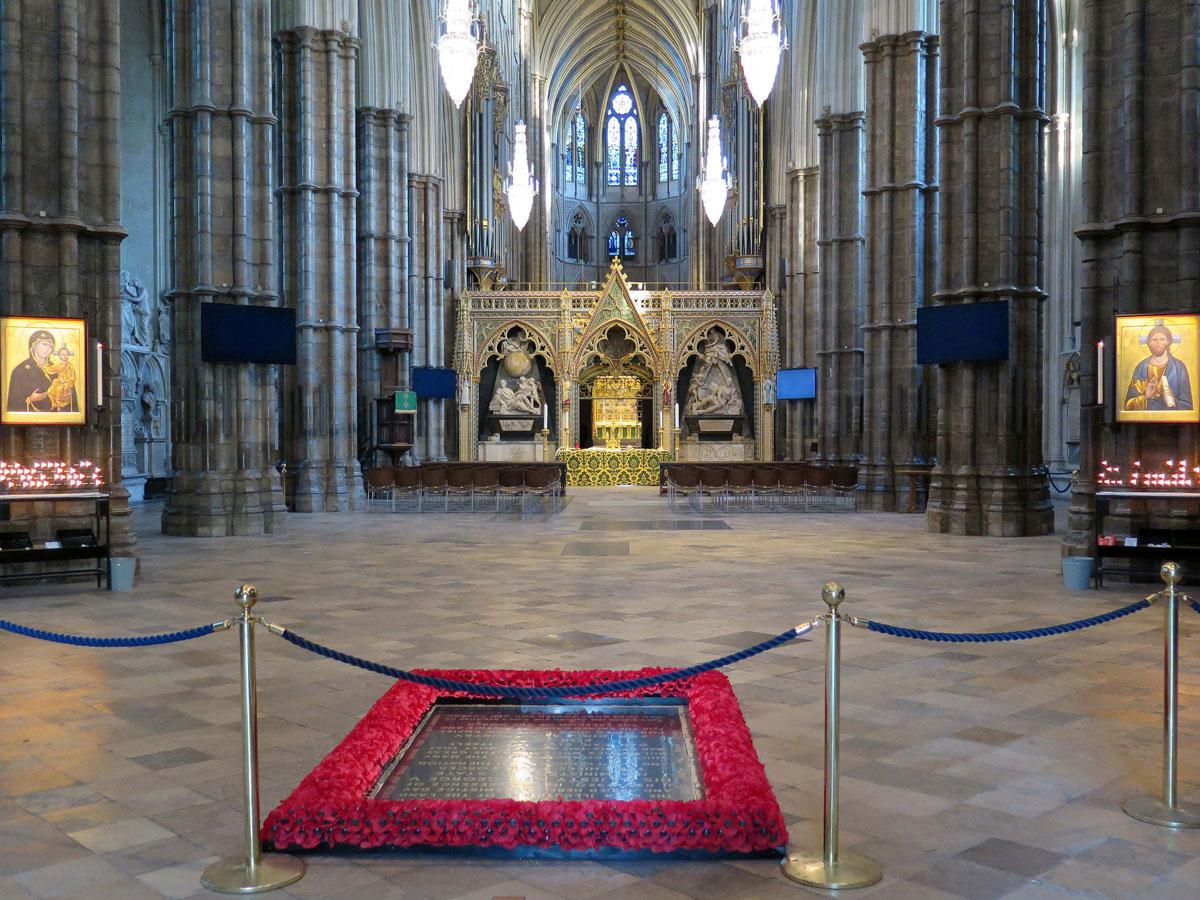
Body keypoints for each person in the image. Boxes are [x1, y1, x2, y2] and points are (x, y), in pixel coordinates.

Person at [1124, 325, 1193, 412]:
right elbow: (1128, 405)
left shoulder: (1179, 368)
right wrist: (1146, 396)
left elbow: (1188, 407)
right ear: (1149, 342)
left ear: (1168, 341)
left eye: (1162, 339)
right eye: (1154, 339)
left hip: (1172, 422)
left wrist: (1173, 400)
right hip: (1145, 421)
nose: (1158, 343)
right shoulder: (1141, 368)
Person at [5, 330, 64, 413]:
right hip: (27, 422)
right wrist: (30, 399)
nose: (47, 349)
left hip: (54, 419)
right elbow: (13, 404)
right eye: (44, 344)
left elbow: (69, 400)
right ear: (34, 346)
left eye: (50, 346)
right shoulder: (20, 371)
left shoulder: (57, 369)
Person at [42, 347, 78, 411]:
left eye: (65, 354)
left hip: (67, 383)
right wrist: (44, 367)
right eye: (62, 354)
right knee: (51, 389)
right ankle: (54, 404)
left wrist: (67, 383)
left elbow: (73, 377)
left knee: (59, 389)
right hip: (59, 381)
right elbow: (51, 369)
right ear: (59, 355)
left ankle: (60, 405)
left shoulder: (70, 366)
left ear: (68, 355)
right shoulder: (58, 365)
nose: (64, 356)